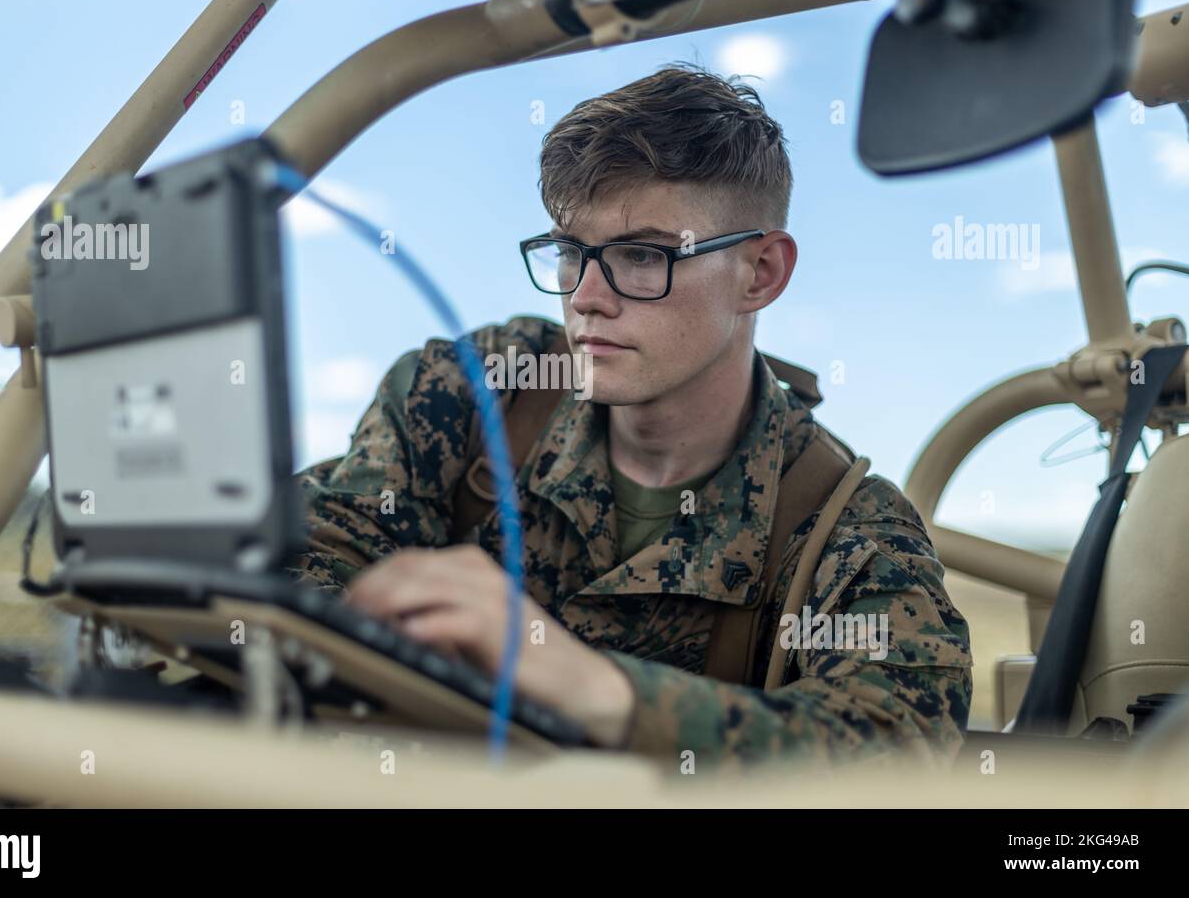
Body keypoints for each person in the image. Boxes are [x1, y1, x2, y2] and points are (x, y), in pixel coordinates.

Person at [288, 64, 972, 767]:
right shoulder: (472, 394)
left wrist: (602, 693)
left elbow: (896, 741)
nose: (585, 296)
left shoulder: (840, 528)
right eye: (570, 253)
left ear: (760, 273)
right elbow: (306, 557)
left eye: (642, 255)